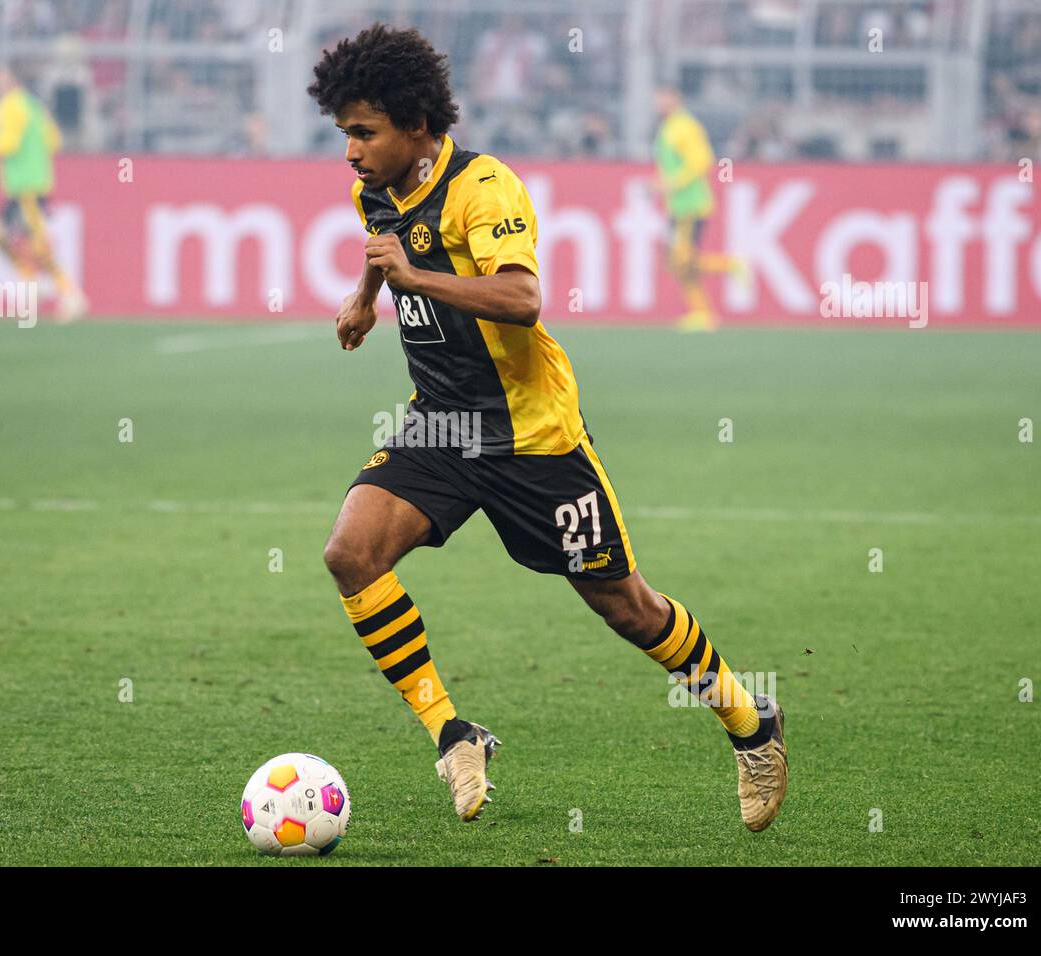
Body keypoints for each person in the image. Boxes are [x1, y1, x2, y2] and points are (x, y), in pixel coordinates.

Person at [307, 24, 788, 830]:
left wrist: (413, 278)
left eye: (364, 132)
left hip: (532, 435)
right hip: (441, 427)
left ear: (416, 124)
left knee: (626, 607)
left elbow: (523, 300)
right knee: (350, 554)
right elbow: (385, 244)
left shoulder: (484, 187)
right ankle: (454, 734)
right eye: (345, 133)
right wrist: (365, 297)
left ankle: (750, 721)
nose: (351, 152)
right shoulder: (377, 188)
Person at [0, 64, 86, 322]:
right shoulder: (35, 107)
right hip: (33, 184)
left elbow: (9, 143)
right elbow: (54, 141)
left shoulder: (10, 106)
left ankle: (71, 295)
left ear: (12, 80)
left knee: (35, 243)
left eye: (0, 77)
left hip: (26, 186)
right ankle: (32, 282)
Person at [651, 85, 748, 332]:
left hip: (690, 204)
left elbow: (702, 160)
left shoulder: (685, 127)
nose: (658, 102)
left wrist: (669, 184)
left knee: (682, 261)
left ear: (675, 98)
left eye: (662, 96)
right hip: (678, 206)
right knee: (677, 263)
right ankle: (703, 313)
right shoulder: (669, 127)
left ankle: (730, 266)